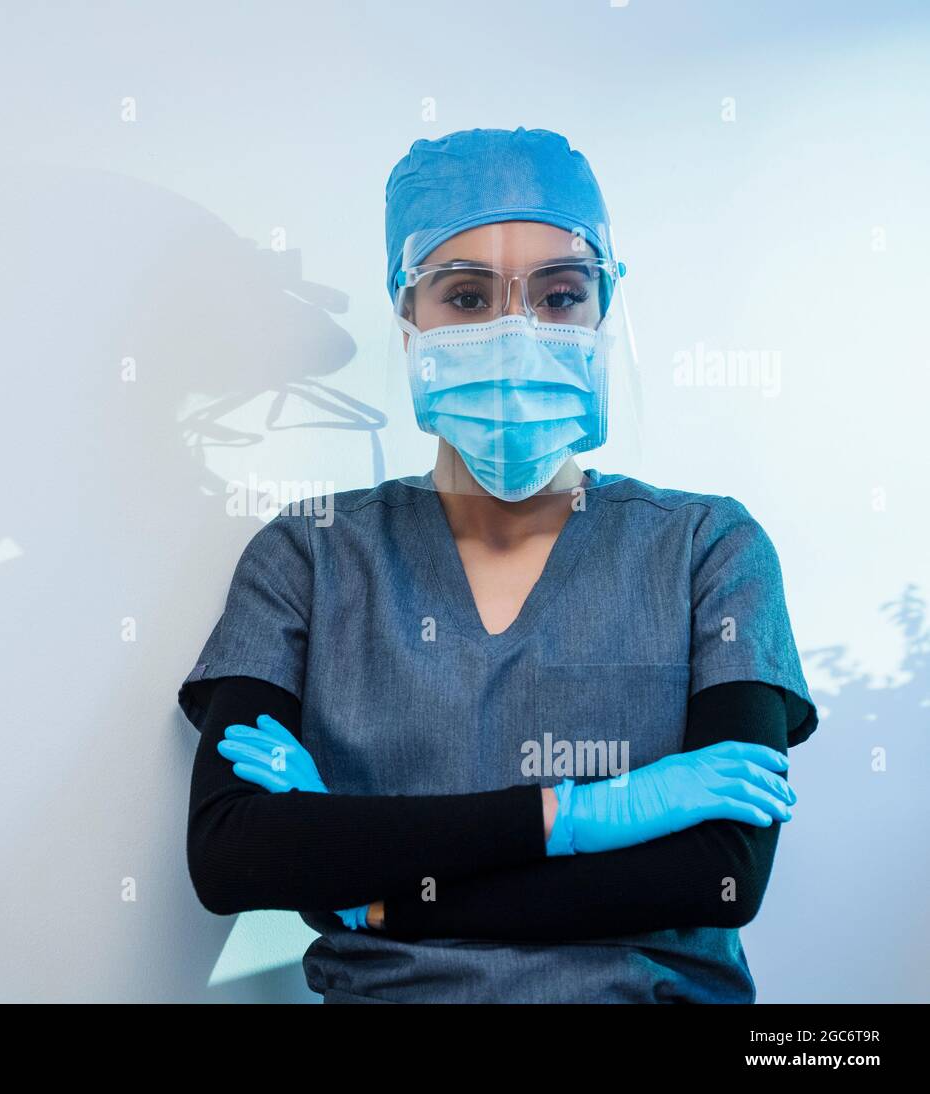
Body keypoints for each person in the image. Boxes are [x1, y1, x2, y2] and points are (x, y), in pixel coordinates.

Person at [177, 127, 818, 1004]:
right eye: (468, 297)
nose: (518, 333)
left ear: (604, 308)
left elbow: (720, 877)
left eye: (560, 295)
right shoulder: (309, 556)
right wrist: (582, 813)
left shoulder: (709, 548)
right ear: (407, 314)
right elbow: (233, 856)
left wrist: (372, 897)